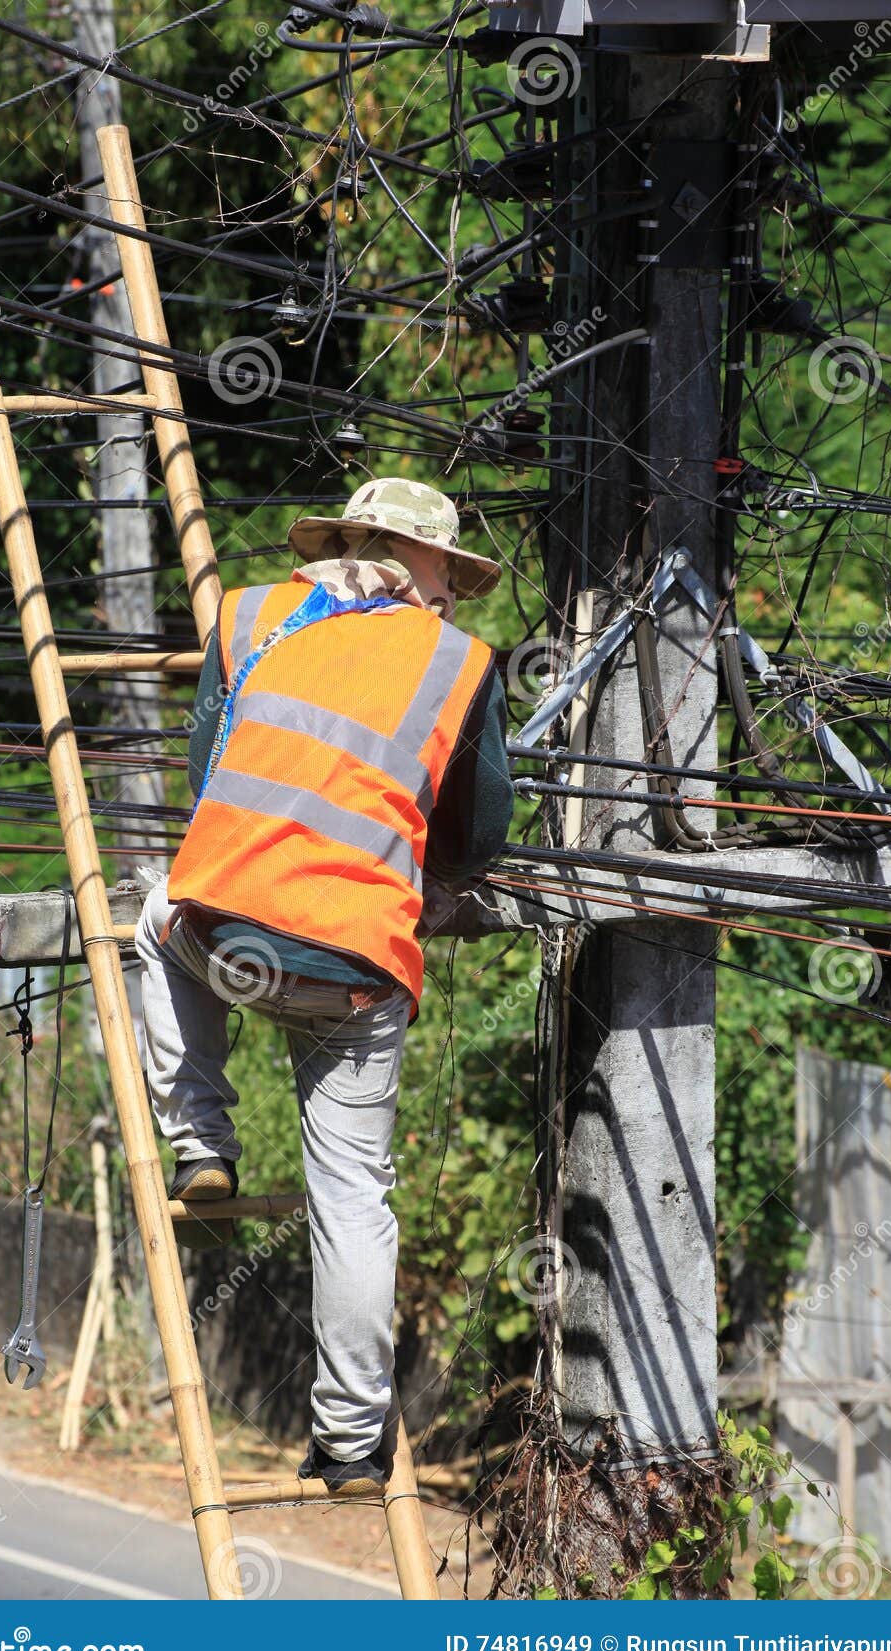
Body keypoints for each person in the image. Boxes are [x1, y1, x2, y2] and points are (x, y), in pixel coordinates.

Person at [136, 477, 513, 1498]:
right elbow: (480, 835)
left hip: (222, 938)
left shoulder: (247, 613)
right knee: (352, 1202)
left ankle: (201, 1141)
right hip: (354, 976)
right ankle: (350, 1443)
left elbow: (208, 765)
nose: (453, 594)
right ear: (408, 557)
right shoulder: (460, 664)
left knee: (152, 917)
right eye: (448, 571)